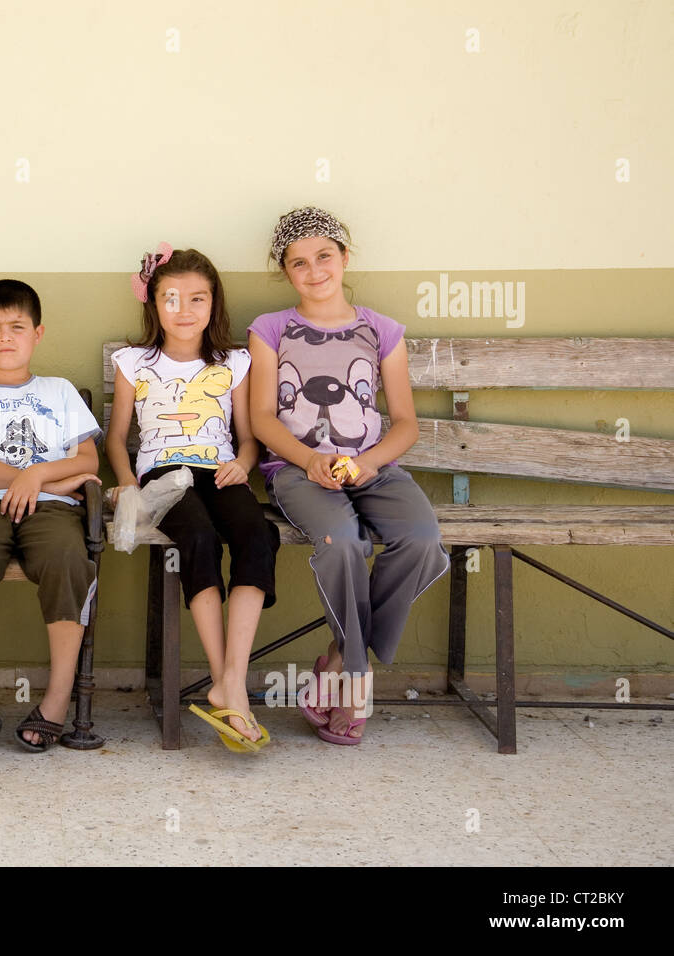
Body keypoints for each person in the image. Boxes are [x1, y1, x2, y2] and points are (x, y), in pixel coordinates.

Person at [248, 207, 449, 745]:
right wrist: (308, 459)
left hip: (375, 469)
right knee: (342, 545)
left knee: (424, 541)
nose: (314, 271)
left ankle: (339, 657)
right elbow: (262, 418)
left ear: (344, 257)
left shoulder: (381, 330)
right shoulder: (270, 330)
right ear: (285, 272)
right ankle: (358, 683)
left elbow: (406, 422)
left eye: (324, 257)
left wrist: (370, 462)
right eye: (298, 263)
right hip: (298, 471)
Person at [106, 244, 280, 753]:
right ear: (154, 304)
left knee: (256, 535)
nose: (185, 311)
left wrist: (242, 465)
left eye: (198, 299)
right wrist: (129, 484)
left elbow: (248, 437)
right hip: (164, 476)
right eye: (172, 299)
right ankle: (225, 682)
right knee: (199, 538)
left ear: (213, 304)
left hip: (220, 471)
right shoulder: (134, 362)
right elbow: (117, 438)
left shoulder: (235, 363)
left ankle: (231, 678)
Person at [0, 279, 102, 751]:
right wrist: (32, 477)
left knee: (68, 560)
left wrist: (38, 480)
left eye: (17, 327)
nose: (5, 337)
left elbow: (87, 462)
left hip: (50, 509)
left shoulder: (60, 391)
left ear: (38, 333)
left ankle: (57, 696)